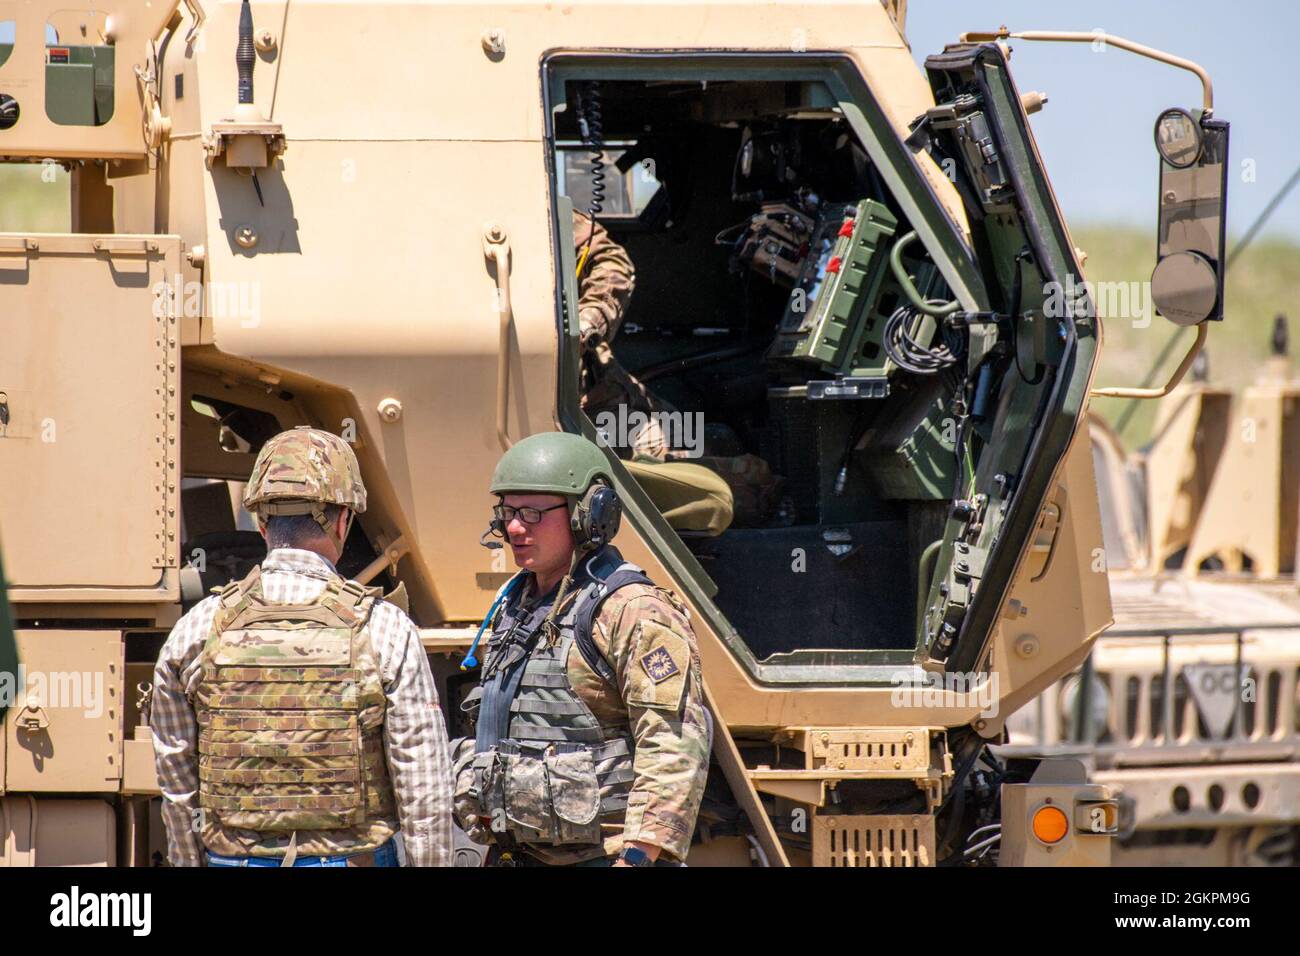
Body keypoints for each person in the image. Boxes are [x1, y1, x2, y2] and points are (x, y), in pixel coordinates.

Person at [152, 426, 453, 867]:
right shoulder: (385, 629)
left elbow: (177, 783)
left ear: (261, 521)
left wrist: (188, 861)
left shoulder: (195, 629)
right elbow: (423, 788)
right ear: (343, 520)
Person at [453, 431, 711, 866]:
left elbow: (671, 741)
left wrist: (638, 857)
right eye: (508, 512)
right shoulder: (517, 603)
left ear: (589, 515)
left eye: (532, 513)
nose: (514, 528)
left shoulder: (632, 609)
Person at [574, 209, 783, 524]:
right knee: (748, 485)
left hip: (605, 387)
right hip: (581, 419)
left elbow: (608, 260)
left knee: (716, 440)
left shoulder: (532, 210)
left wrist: (591, 317)